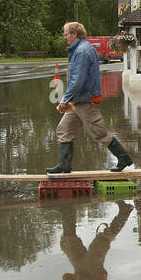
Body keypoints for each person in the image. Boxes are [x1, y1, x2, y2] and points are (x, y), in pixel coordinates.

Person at [46, 21, 134, 174]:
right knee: (64, 129)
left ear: (74, 34)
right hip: (78, 100)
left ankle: (124, 159)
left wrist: (64, 100)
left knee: (99, 133)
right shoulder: (80, 50)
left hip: (86, 102)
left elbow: (77, 80)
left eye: (66, 33)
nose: (64, 36)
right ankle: (64, 165)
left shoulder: (82, 52)